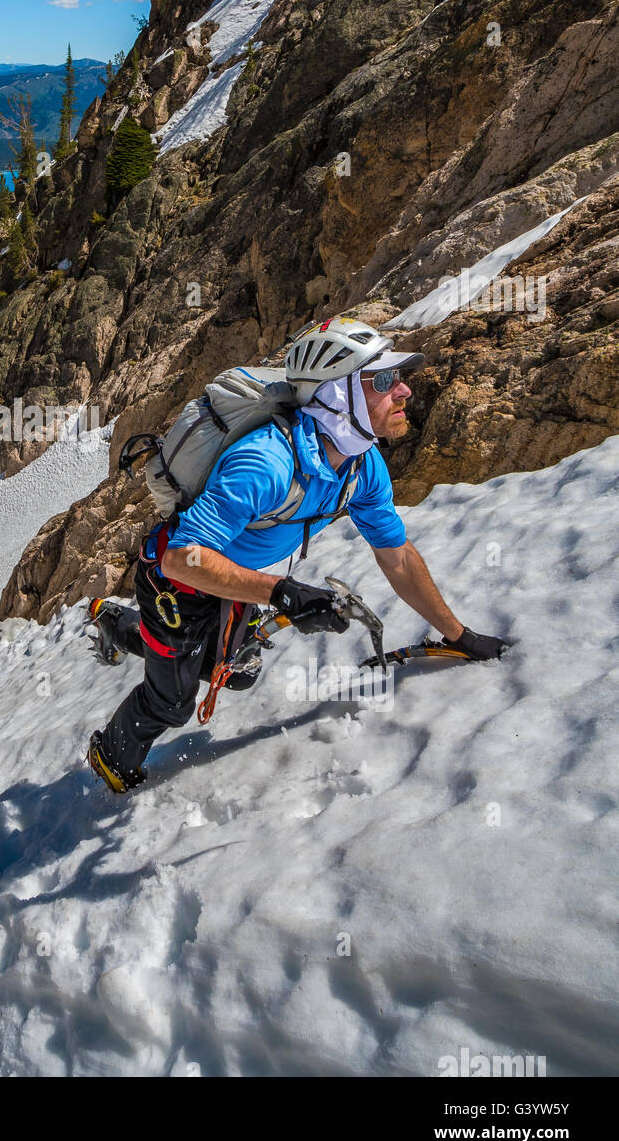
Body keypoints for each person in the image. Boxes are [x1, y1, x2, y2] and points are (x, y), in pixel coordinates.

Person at [87, 317, 509, 794]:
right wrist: (282, 592)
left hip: (239, 578)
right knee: (172, 703)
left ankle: (120, 624)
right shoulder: (266, 462)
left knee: (236, 672)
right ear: (336, 395)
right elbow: (181, 558)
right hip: (177, 588)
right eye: (385, 380)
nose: (405, 390)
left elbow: (398, 558)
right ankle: (110, 761)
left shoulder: (361, 465)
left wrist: (459, 636)